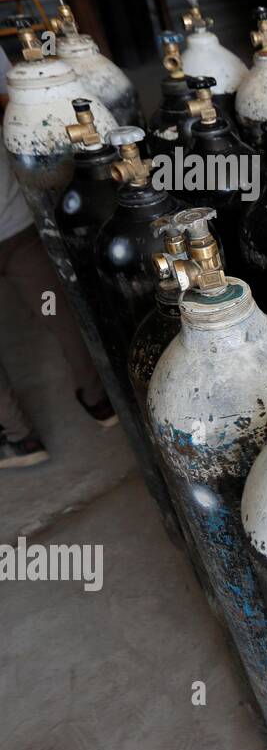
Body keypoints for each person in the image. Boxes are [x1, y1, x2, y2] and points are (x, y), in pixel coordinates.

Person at [0, 49, 116, 468]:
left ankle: (17, 436)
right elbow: (15, 106)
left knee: (56, 309)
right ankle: (98, 398)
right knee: (54, 308)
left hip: (13, 225)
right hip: (13, 225)